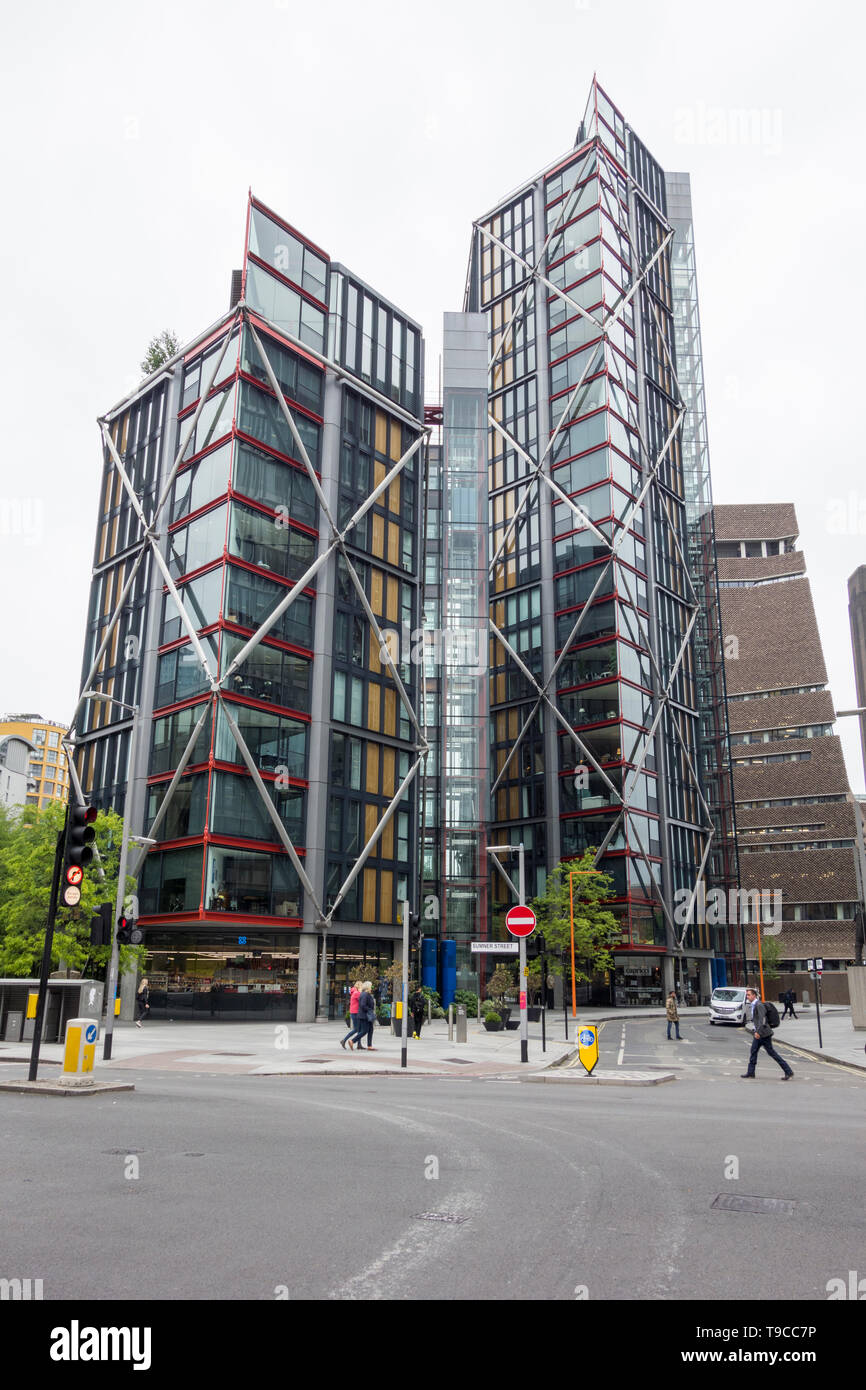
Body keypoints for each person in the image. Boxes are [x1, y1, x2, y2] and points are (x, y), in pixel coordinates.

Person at [741, 987, 794, 1080]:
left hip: (763, 1034)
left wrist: (758, 1032)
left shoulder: (759, 1005)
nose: (747, 997)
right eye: (747, 995)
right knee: (753, 1051)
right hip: (760, 1033)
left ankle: (788, 1071)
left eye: (749, 995)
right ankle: (751, 1072)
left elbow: (763, 1020)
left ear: (754, 995)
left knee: (772, 1053)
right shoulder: (754, 1005)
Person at [341, 980, 362, 1050]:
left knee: (359, 1029)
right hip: (355, 1013)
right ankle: (344, 1040)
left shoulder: (354, 992)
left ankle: (359, 1044)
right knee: (356, 1029)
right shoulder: (357, 993)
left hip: (355, 1012)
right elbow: (362, 1002)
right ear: (359, 986)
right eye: (362, 986)